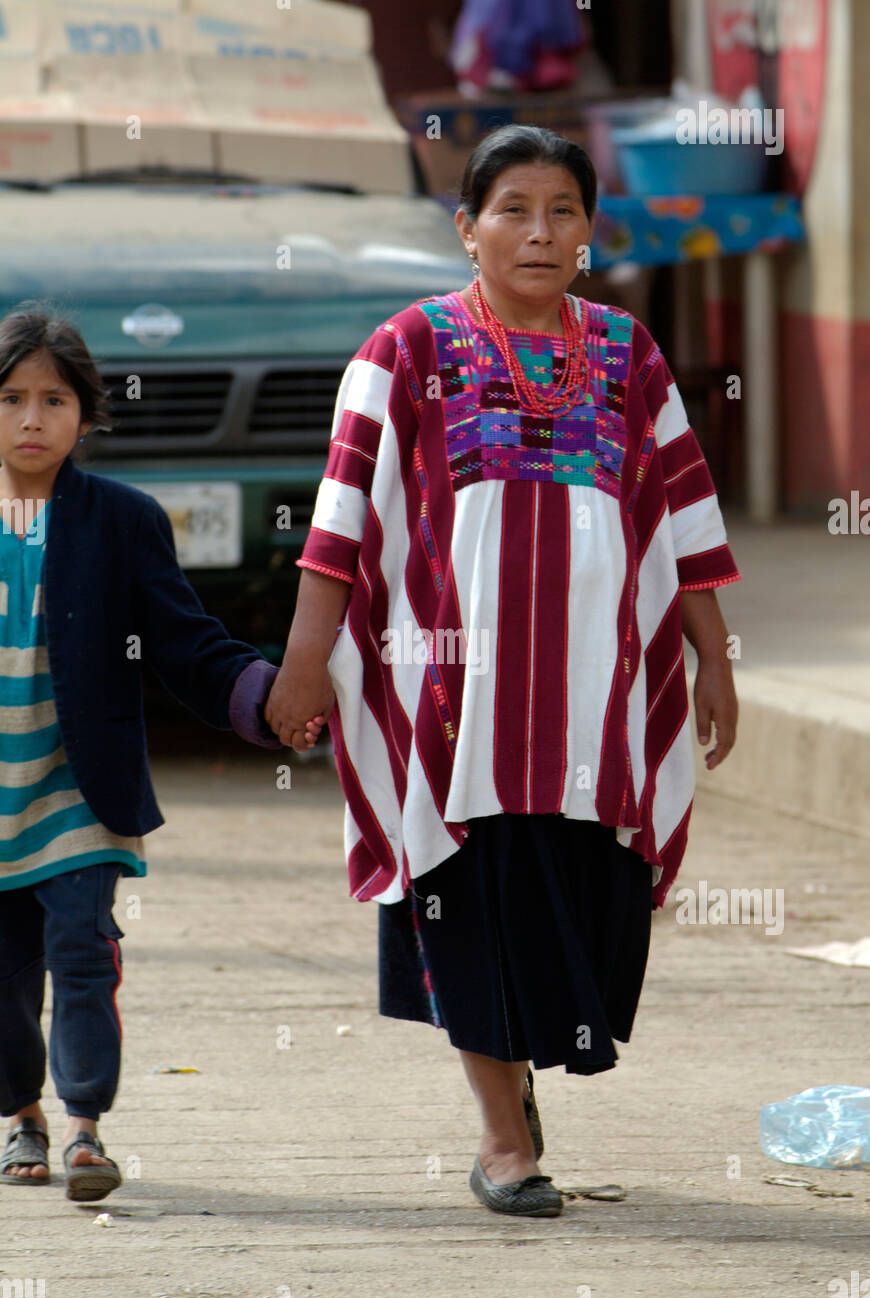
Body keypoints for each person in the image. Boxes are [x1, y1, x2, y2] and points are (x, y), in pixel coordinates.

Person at [265, 125, 741, 1218]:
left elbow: (680, 515)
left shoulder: (627, 351)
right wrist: (304, 663)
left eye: (564, 210)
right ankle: (500, 1136)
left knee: (590, 903)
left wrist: (711, 659)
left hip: (597, 707)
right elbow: (341, 520)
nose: (539, 231)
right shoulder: (407, 348)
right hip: (452, 707)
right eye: (513, 208)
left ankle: (522, 1089)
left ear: (589, 231)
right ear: (466, 227)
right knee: (468, 901)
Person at [0, 306, 293, 1202]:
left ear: (87, 415)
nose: (31, 420)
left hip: (78, 790)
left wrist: (268, 698)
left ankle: (85, 1125)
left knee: (83, 948)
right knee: (6, 977)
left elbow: (184, 642)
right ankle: (22, 1116)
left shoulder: (122, 522)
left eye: (55, 400)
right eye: (10, 398)